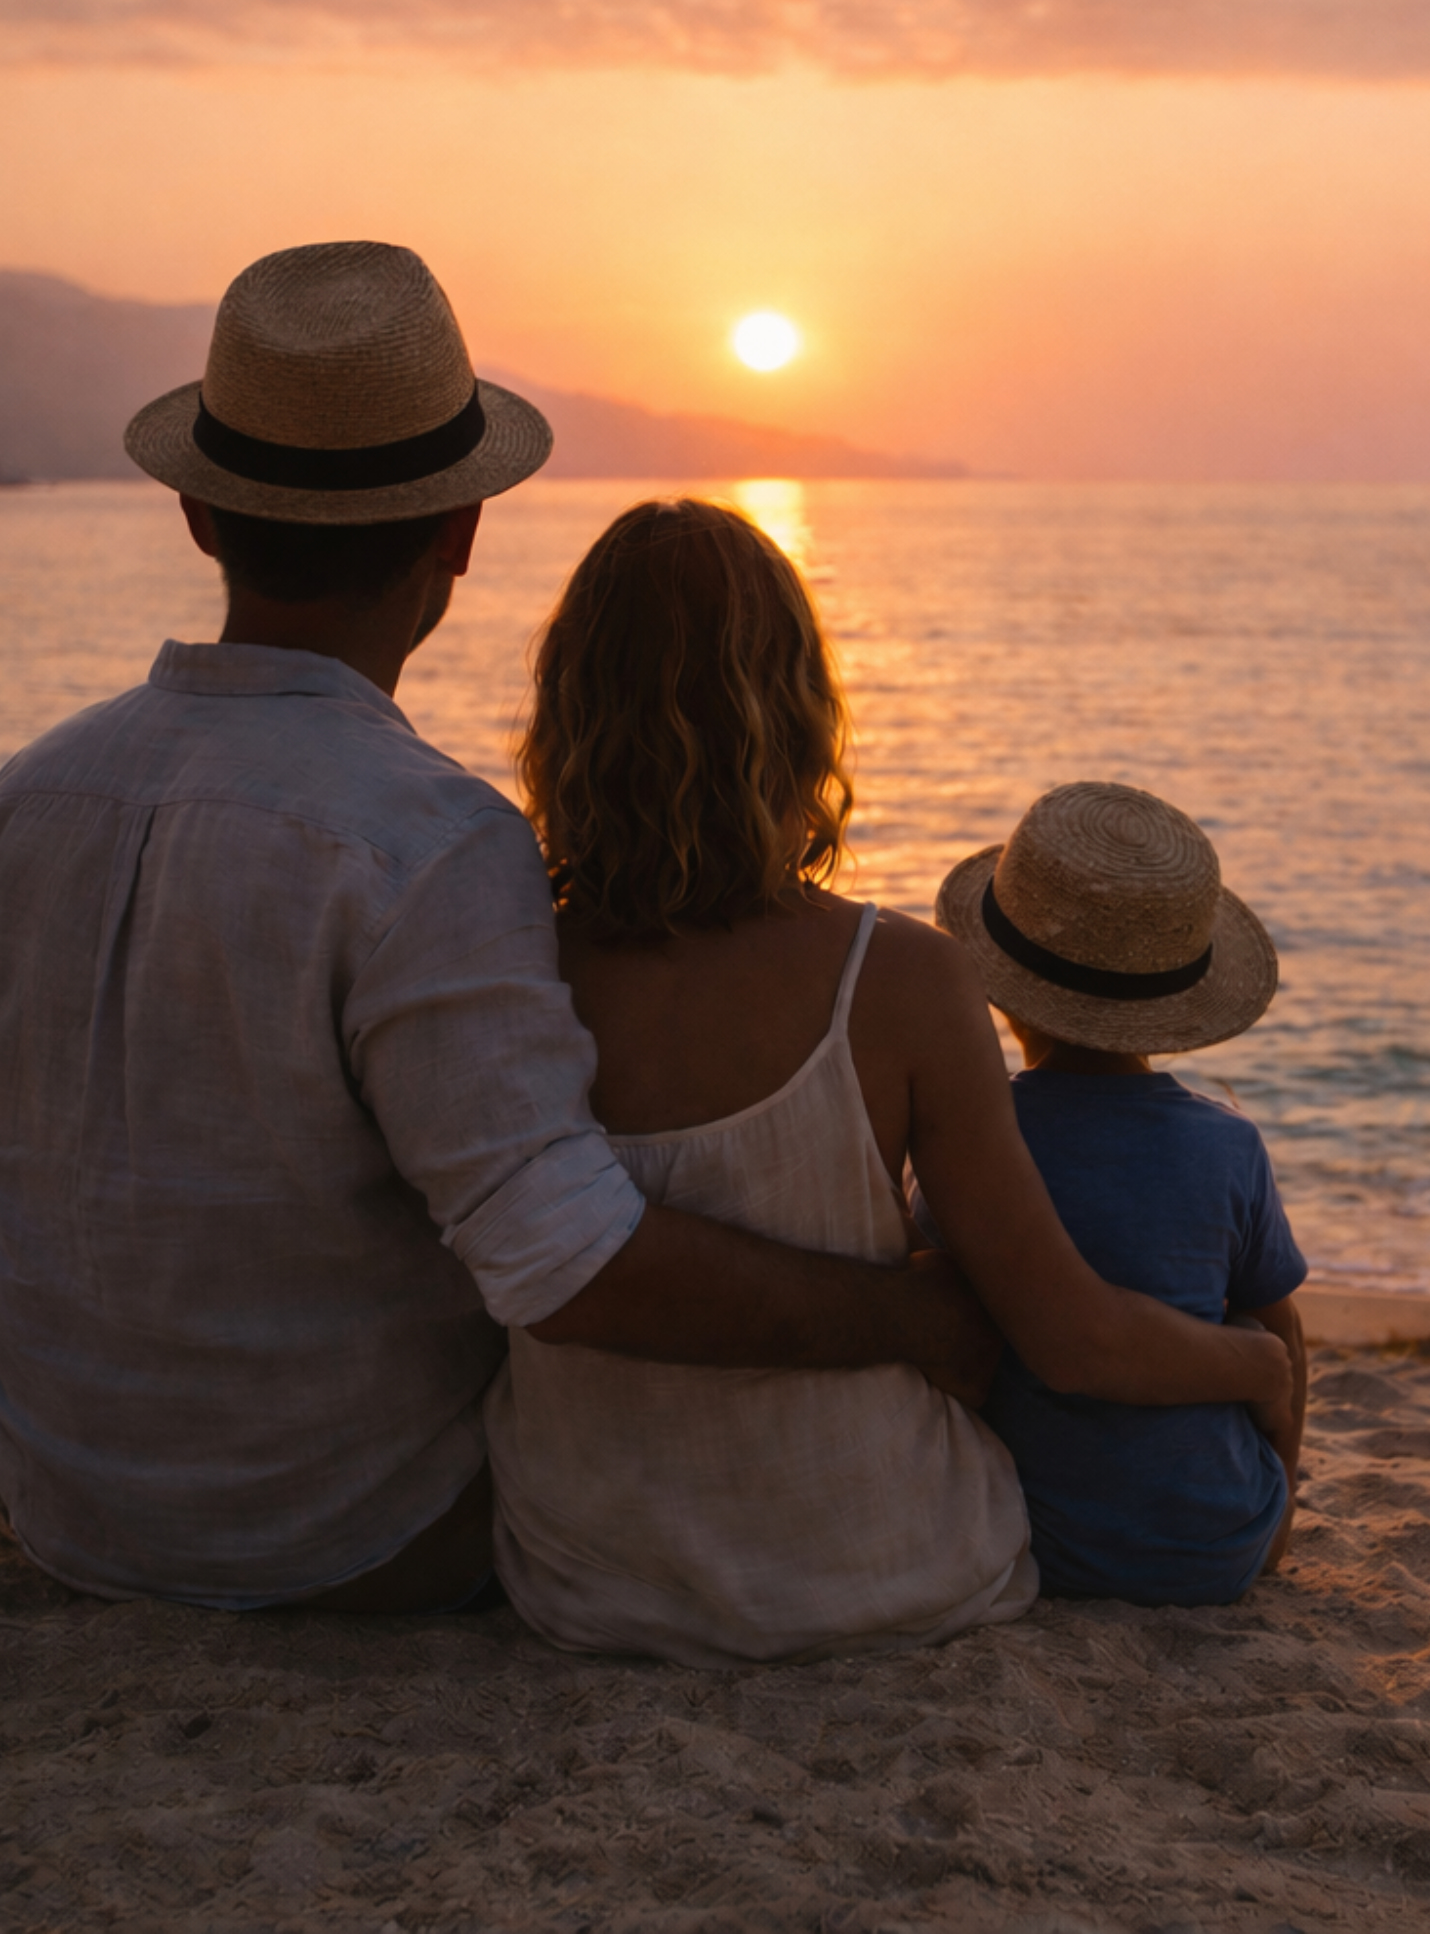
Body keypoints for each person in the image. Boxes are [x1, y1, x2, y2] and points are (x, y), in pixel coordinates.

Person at [0, 241, 1008, 1614]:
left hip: (66, 1509)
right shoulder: (428, 845)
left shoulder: (32, 793)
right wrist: (918, 1315)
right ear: (460, 534)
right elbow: (568, 1263)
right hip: (345, 1538)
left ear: (197, 514)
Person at [483, 500, 1293, 1664]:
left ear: (566, 710)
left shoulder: (504, 971)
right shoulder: (903, 977)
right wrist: (1255, 1359)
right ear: (800, 711)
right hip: (875, 1563)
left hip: (582, 1573)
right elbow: (1068, 1340)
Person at [926, 781, 1309, 1606]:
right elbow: (1283, 1338)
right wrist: (1275, 1516)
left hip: (1045, 1542)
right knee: (1244, 1315)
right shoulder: (1229, 1144)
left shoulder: (979, 1136)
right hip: (1221, 1544)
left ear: (1002, 988)